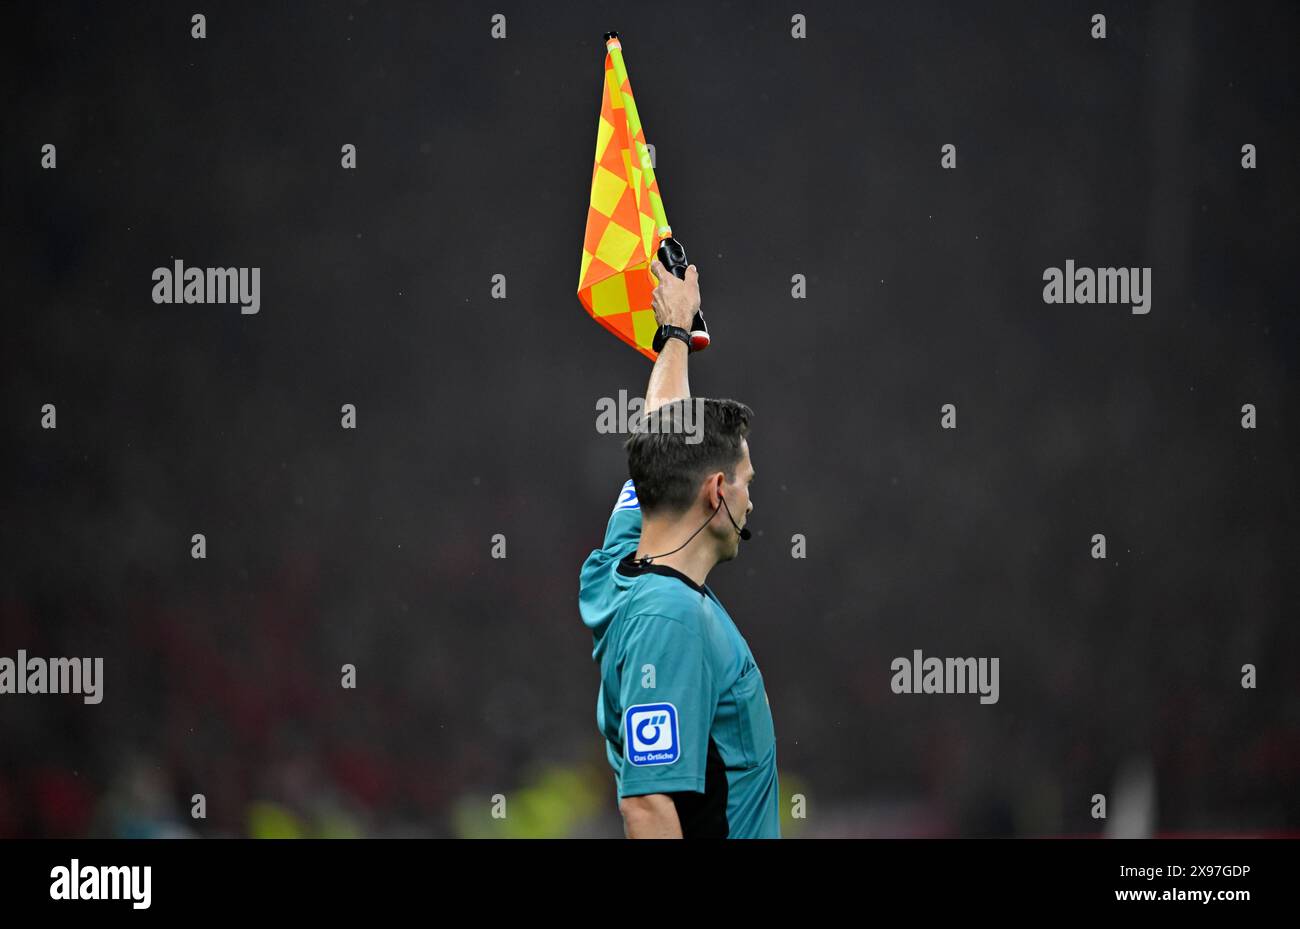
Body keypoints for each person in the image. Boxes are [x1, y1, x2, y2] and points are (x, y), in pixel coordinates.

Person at [578, 260, 780, 838]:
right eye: (746, 481)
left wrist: (674, 333)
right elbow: (647, 806)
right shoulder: (670, 621)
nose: (750, 500)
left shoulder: (620, 562)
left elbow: (665, 437)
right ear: (717, 491)